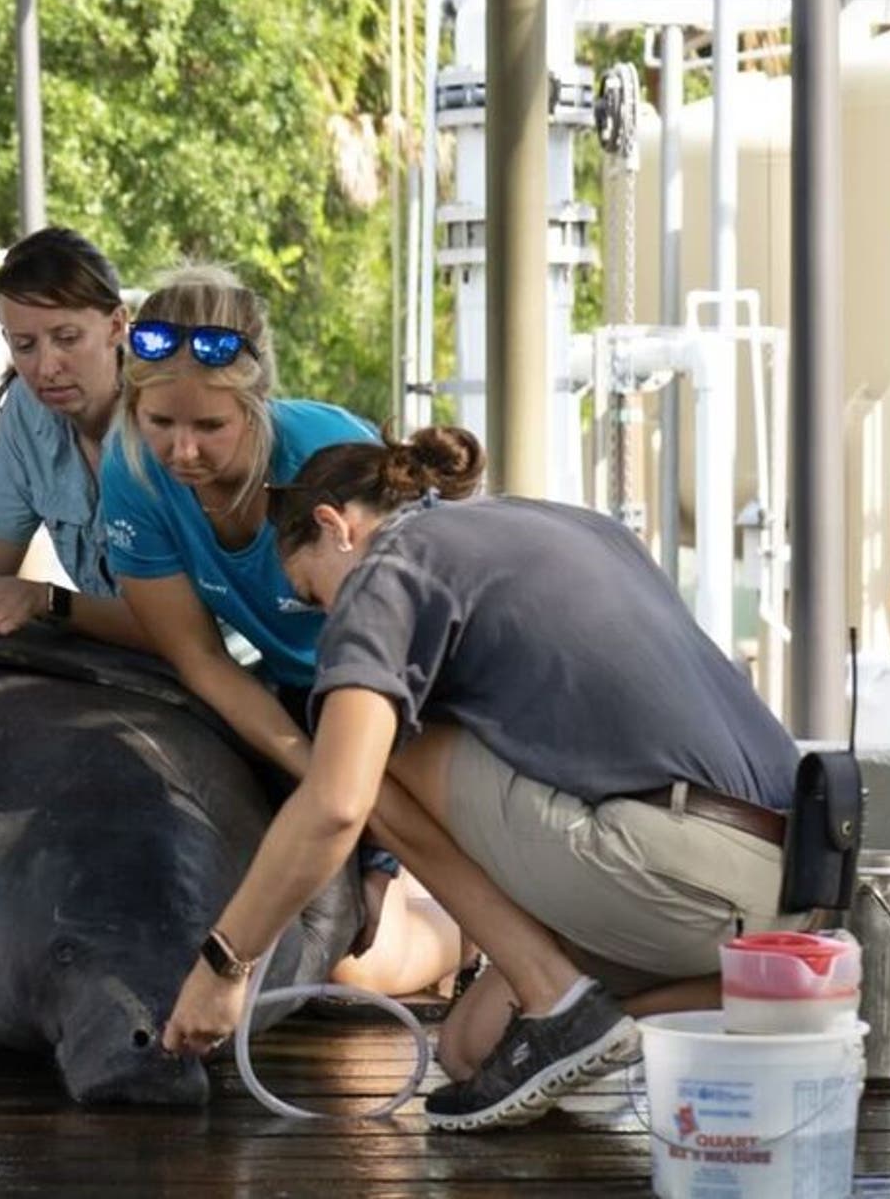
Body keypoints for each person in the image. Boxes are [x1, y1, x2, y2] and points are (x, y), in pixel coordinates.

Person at [162, 428, 808, 1132]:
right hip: (788, 884)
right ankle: (774, 995)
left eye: (313, 595)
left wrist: (224, 967)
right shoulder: (565, 521)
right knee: (473, 1051)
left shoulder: (390, 566)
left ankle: (555, 994)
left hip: (670, 873)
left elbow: (338, 805)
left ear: (334, 526)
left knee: (360, 752)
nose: (326, 622)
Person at [99, 265, 461, 995]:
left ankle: (468, 930)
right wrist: (312, 767)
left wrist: (372, 841)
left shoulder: (322, 453)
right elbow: (200, 659)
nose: (183, 452)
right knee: (333, 952)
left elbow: (424, 633)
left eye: (210, 427)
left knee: (366, 919)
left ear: (257, 407)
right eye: (160, 422)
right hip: (295, 691)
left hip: (417, 686)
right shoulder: (133, 472)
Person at [0, 228, 142, 648]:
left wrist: (46, 600)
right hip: (122, 666)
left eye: (67, 338)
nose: (46, 367)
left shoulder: (167, 421)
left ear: (117, 326)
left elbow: (180, 633)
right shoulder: (26, 411)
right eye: (25, 345)